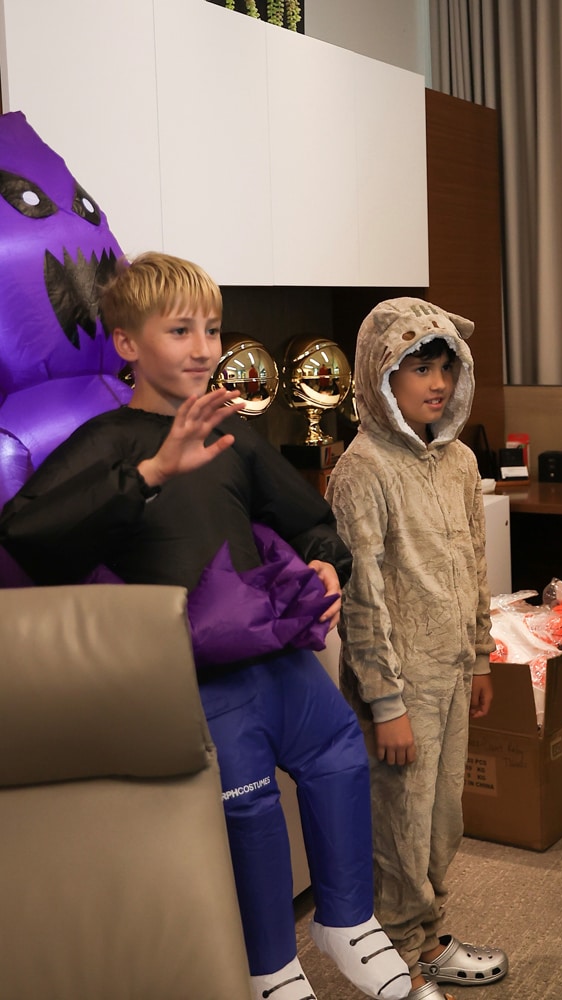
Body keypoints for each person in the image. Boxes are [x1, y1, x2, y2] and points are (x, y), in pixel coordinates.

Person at [0, 252, 411, 1000]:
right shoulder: (107, 442)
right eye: (180, 329)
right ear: (126, 344)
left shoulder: (237, 435)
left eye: (213, 329)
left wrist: (327, 565)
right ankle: (270, 968)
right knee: (249, 808)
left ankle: (347, 922)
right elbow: (26, 532)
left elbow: (312, 521)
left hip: (273, 652)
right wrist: (152, 473)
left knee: (339, 754)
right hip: (194, 673)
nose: (203, 348)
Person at [326, 298, 508, 1000]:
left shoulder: (459, 460)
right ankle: (400, 959)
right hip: (397, 684)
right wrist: (385, 702)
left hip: (453, 671)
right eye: (418, 368)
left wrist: (482, 653)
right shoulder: (362, 469)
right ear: (382, 375)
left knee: (442, 823)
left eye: (444, 368)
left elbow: (475, 558)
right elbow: (362, 598)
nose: (436, 383)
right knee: (397, 827)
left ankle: (426, 935)